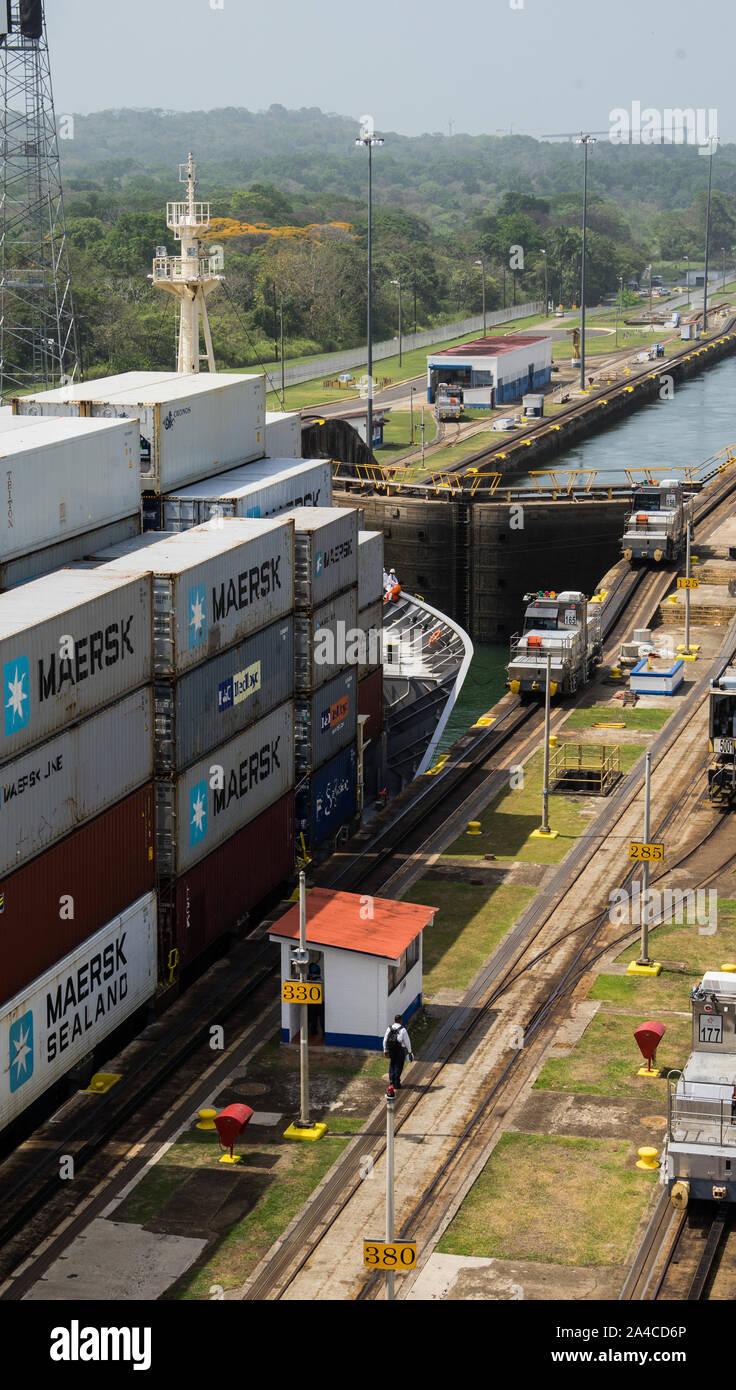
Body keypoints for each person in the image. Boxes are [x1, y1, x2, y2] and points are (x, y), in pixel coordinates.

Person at [383, 1015, 413, 1089]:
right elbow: (407, 1042)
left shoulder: (389, 1028)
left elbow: (385, 1040)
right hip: (400, 1050)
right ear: (400, 1020)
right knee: (398, 1066)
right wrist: (410, 1051)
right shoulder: (403, 1030)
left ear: (395, 1020)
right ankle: (396, 1083)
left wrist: (385, 1050)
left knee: (392, 1064)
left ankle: (391, 1081)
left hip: (391, 1050)